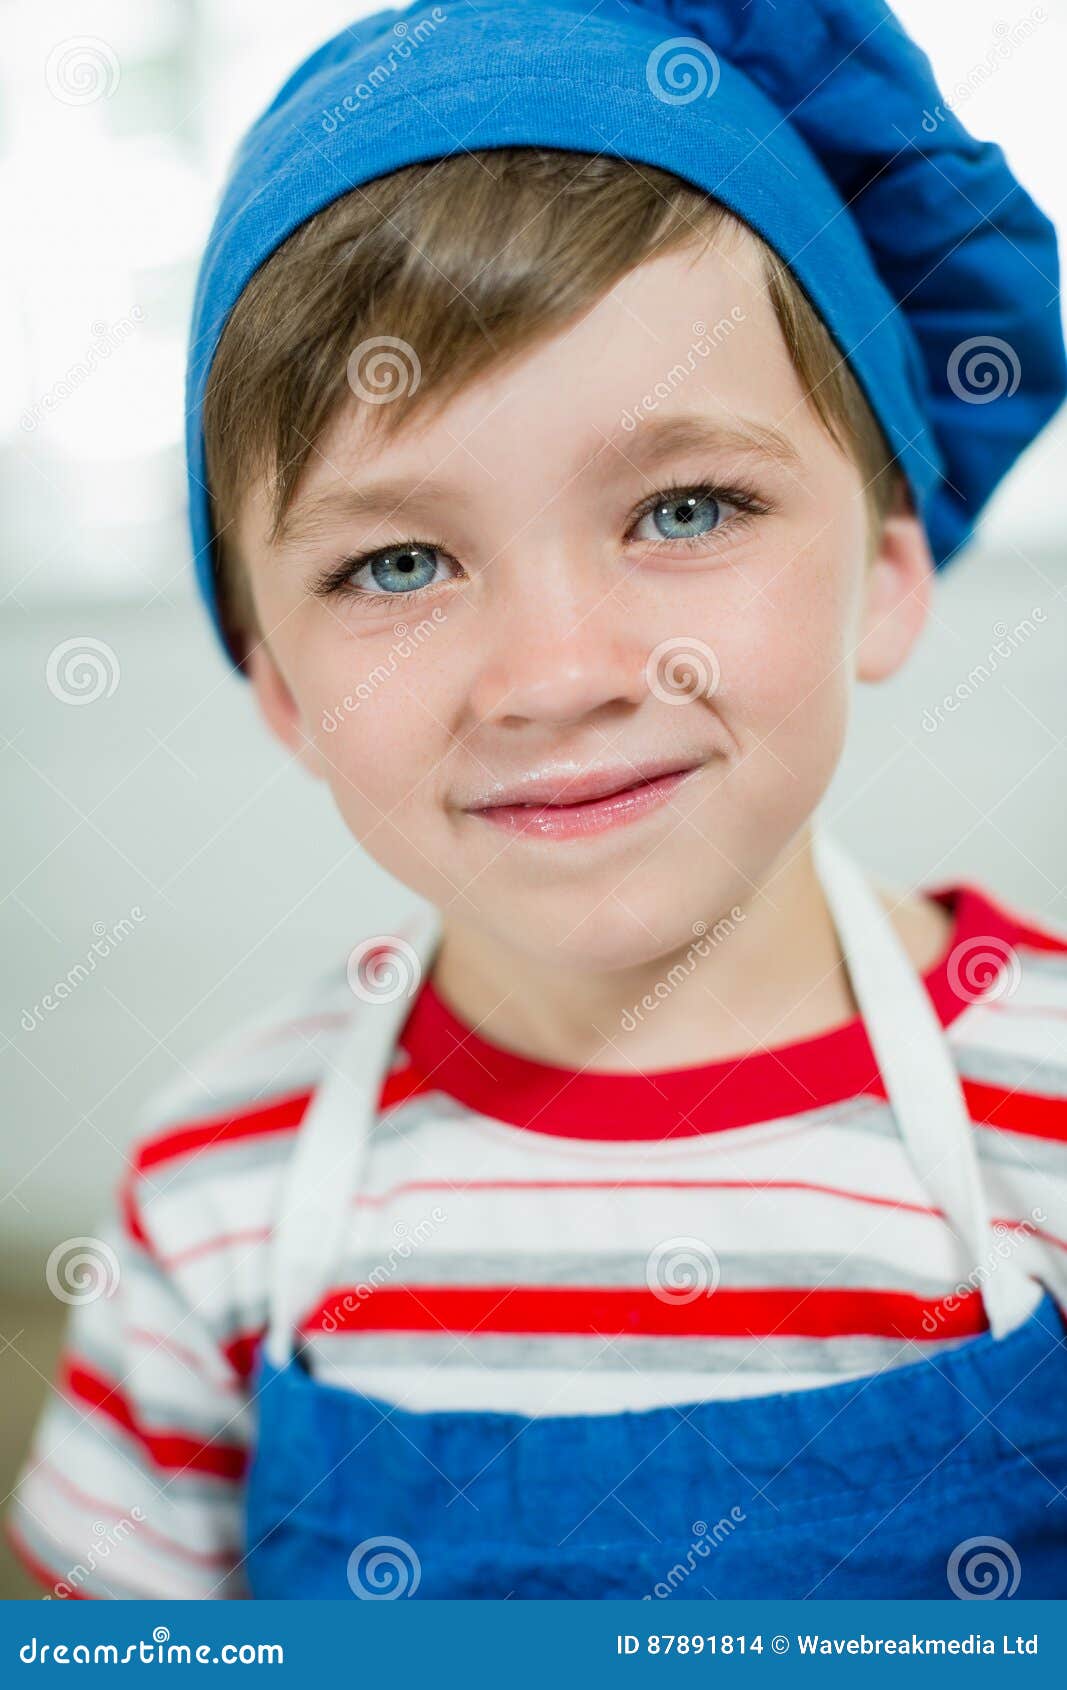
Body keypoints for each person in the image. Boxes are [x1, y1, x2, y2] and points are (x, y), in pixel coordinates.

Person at [8, 0, 1067, 1600]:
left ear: (890, 565)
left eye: (686, 507)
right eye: (398, 562)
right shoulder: (214, 1195)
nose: (555, 674)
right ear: (280, 687)